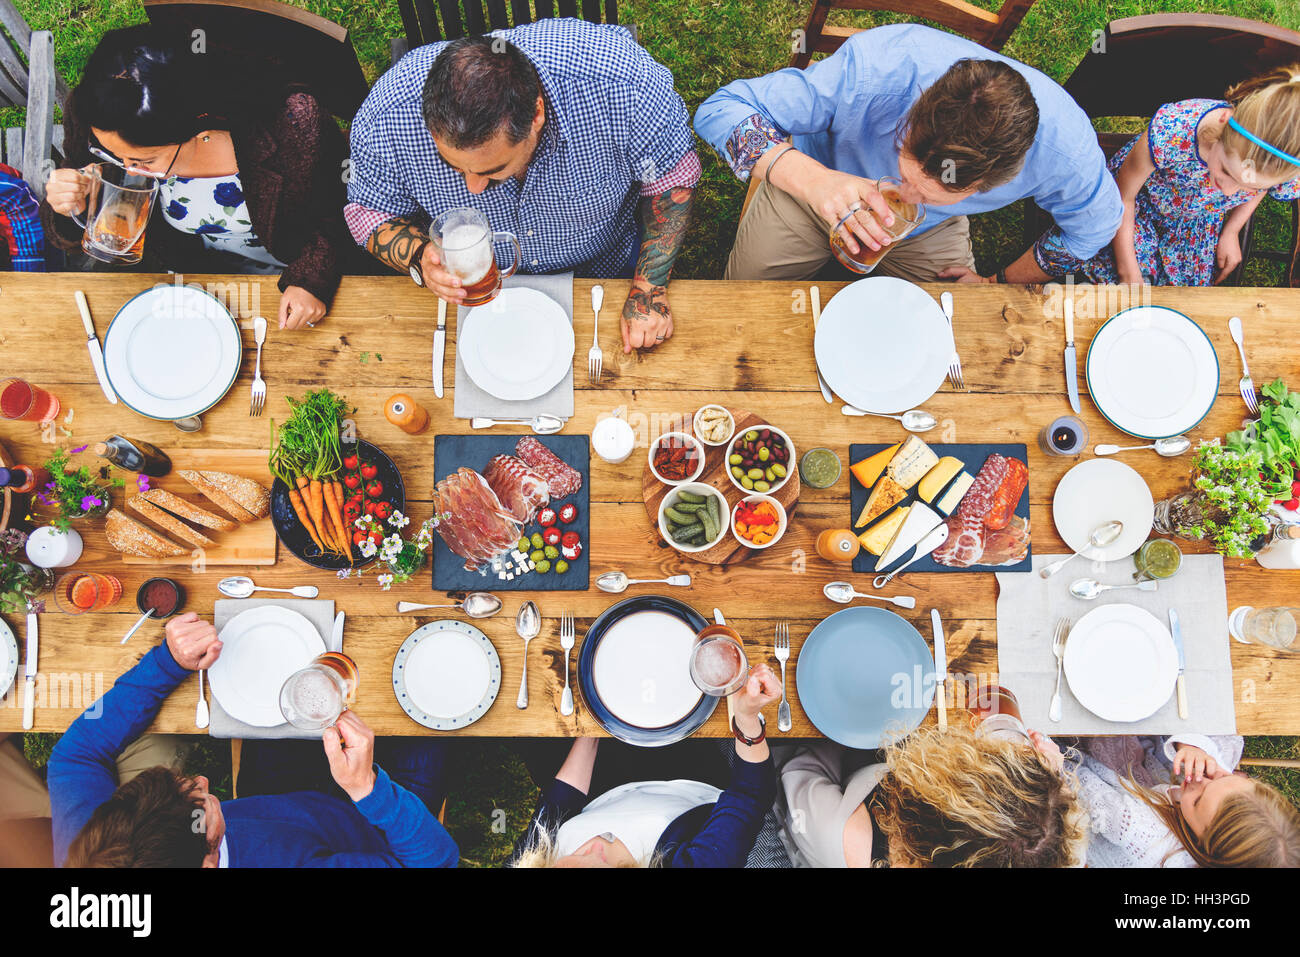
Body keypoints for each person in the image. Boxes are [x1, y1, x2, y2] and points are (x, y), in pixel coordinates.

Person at [346, 19, 699, 353]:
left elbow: (671, 184)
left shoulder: (623, 87)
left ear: (536, 115)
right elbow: (369, 212)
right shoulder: (387, 119)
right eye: (452, 166)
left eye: (493, 169)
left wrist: (647, 289)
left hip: (603, 271)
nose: (472, 189)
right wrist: (420, 257)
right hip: (472, 295)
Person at [694, 23, 1122, 285]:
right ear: (913, 116)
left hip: (928, 234)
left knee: (952, 329)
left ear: (996, 184)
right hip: (813, 186)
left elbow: (1095, 227)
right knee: (742, 296)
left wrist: (1000, 280)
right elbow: (721, 108)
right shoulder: (877, 69)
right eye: (903, 167)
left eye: (928, 195)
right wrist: (813, 180)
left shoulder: (1067, 155)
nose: (895, 205)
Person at [48, 612, 458, 868]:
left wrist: (166, 664)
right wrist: (367, 789)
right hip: (378, 828)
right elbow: (434, 861)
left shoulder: (96, 844)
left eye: (185, 782)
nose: (205, 781)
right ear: (209, 861)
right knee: (439, 691)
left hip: (281, 798)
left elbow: (74, 758)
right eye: (199, 799)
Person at [43, 24, 365, 330]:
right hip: (189, 280)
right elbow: (83, 189)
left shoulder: (292, 122)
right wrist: (72, 203)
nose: (127, 170)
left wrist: (310, 278)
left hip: (290, 276)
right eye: (110, 154)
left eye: (145, 160)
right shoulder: (98, 113)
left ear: (199, 128)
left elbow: (342, 204)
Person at [1035, 68, 1300, 285]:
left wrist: (1231, 230)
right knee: (1118, 276)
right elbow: (1123, 196)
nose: (1230, 192)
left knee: (1181, 293)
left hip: (1195, 218)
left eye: (1247, 187)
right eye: (1227, 172)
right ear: (1223, 122)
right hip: (1138, 205)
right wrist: (1129, 271)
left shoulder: (1276, 171)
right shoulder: (1175, 130)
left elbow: (1261, 189)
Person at [511, 664, 782, 867]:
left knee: (535, 716)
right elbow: (750, 794)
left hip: (598, 791)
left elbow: (559, 804)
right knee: (676, 684)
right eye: (595, 859)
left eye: (575, 853)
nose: (590, 847)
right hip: (684, 774)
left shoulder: (531, 860)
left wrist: (593, 723)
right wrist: (746, 717)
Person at [773, 726, 1086, 867]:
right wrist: (1050, 783)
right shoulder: (1047, 849)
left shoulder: (843, 835)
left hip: (817, 785)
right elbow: (1044, 836)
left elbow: (800, 767)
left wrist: (852, 727)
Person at [1072, 734, 1300, 867]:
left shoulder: (1136, 827)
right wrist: (1194, 745)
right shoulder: (1213, 806)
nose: (1200, 780)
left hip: (1084, 783)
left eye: (1199, 800)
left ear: (1202, 847)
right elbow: (1228, 736)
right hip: (1139, 775)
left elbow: (1072, 779)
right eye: (1224, 777)